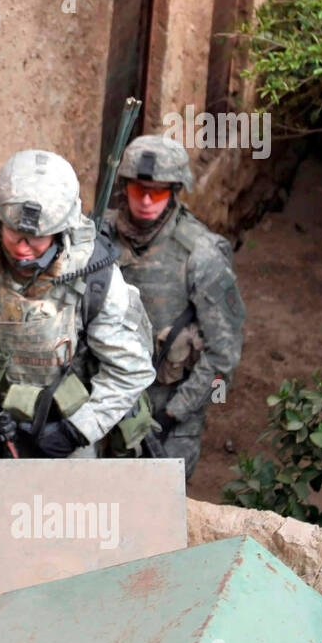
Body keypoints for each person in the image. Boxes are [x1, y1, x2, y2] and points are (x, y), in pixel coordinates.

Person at [0, 149, 155, 458]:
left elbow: (131, 370)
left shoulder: (97, 278)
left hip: (66, 429)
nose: (22, 247)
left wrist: (75, 432)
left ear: (60, 231)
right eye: (13, 232)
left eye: (36, 238)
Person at [105, 134, 246, 477]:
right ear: (125, 188)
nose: (148, 200)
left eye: (160, 191)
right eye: (139, 190)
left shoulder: (200, 254)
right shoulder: (97, 237)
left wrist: (173, 415)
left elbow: (223, 354)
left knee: (158, 515)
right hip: (104, 403)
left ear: (174, 192)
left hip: (166, 416)